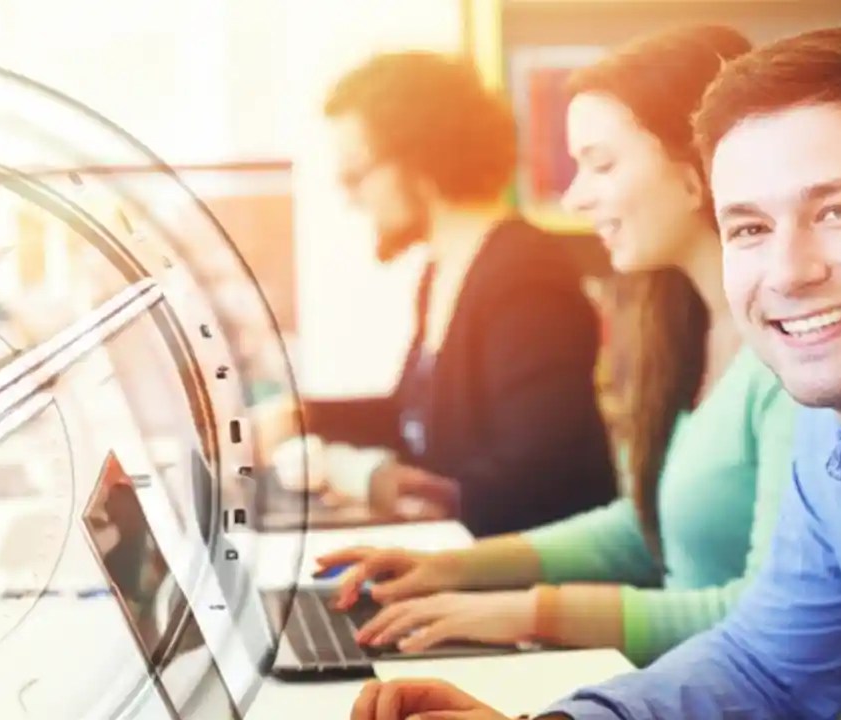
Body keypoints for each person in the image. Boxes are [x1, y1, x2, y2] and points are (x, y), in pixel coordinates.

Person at [348, 26, 841, 720]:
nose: (787, 271)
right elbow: (764, 666)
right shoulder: (834, 421)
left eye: (838, 211)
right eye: (748, 227)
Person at [255, 51, 617, 537]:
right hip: (472, 563)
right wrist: (303, 416)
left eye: (355, 173)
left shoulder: (526, 278)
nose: (351, 195)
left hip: (531, 581)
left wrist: (365, 478)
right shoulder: (444, 270)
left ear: (418, 158)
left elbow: (536, 478)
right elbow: (415, 418)